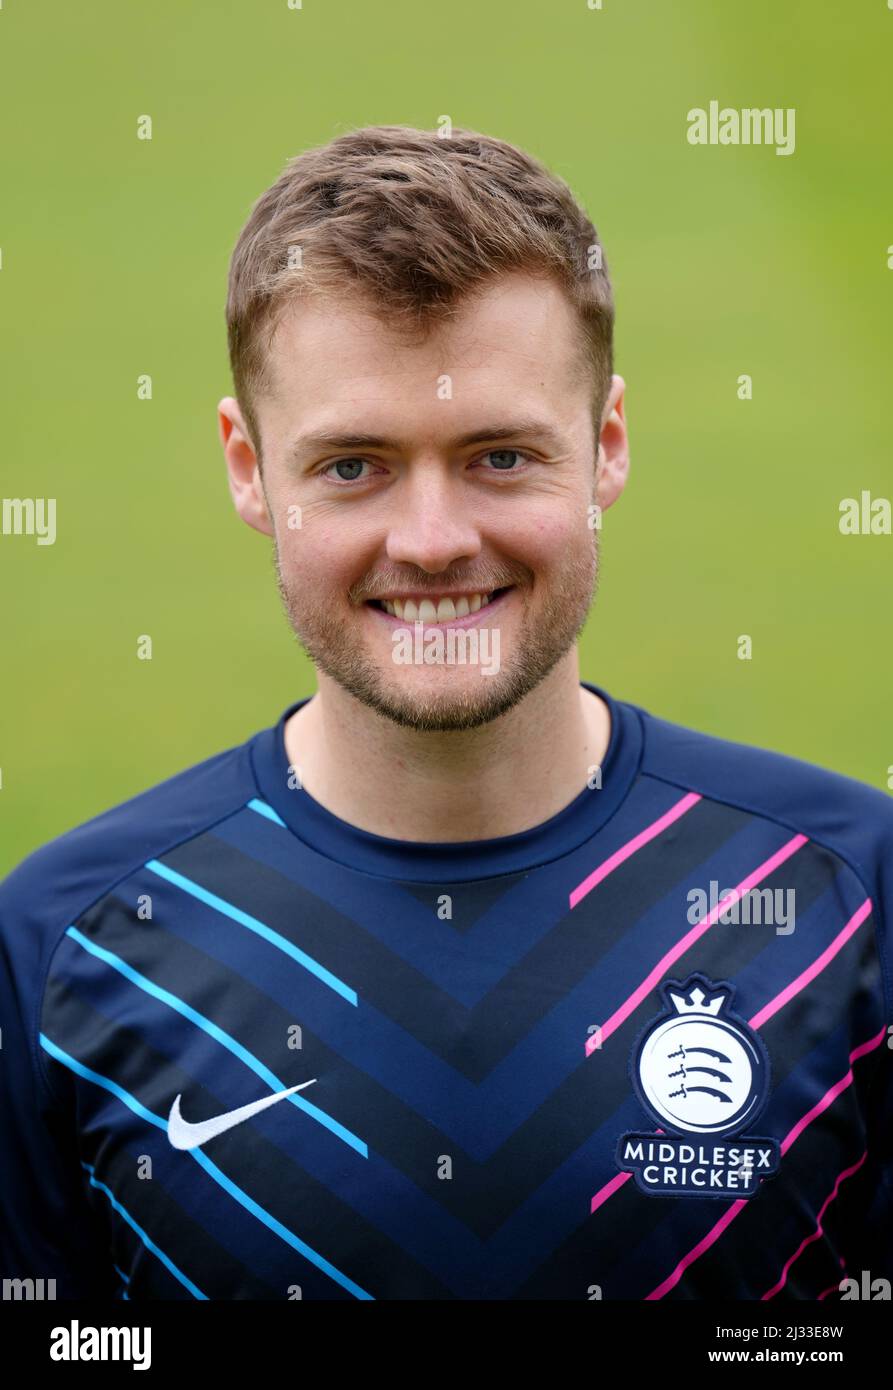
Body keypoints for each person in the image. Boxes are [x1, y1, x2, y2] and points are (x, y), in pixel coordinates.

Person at [1, 125, 890, 1302]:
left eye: (500, 456)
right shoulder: (63, 949)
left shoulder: (850, 898)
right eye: (353, 466)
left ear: (606, 444)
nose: (430, 542)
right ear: (246, 466)